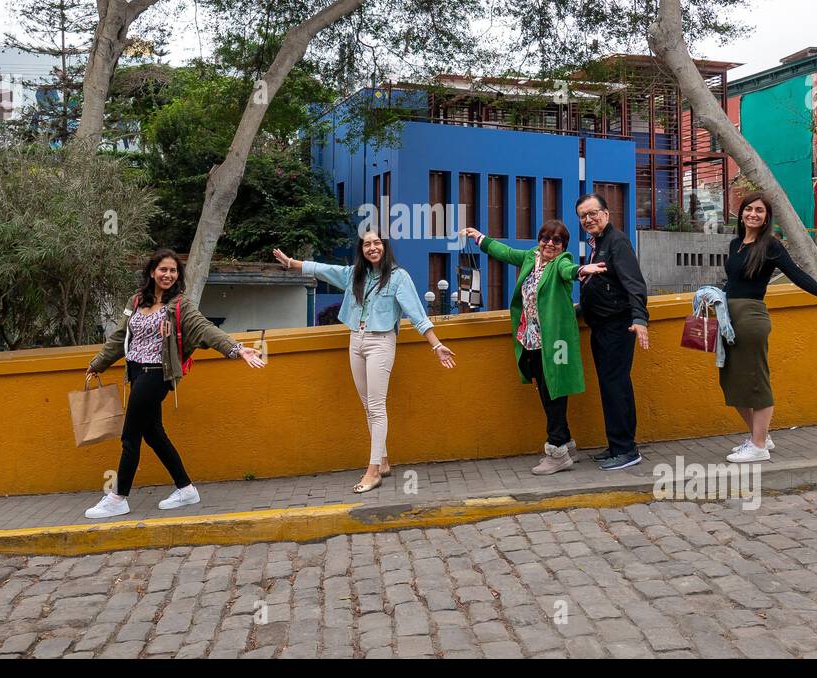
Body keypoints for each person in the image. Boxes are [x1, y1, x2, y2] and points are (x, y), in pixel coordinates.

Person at [82, 248, 266, 518]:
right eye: (163, 269)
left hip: (156, 375)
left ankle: (118, 497)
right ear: (151, 272)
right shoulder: (136, 302)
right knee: (153, 433)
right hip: (134, 373)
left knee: (130, 436)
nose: (168, 275)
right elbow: (120, 337)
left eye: (173, 271)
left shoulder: (180, 305)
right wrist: (98, 363)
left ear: (178, 276)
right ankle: (186, 489)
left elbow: (205, 329)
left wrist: (236, 349)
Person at [273, 232, 455, 494]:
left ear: (384, 247)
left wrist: (436, 345)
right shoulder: (354, 275)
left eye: (377, 243)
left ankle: (372, 471)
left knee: (377, 406)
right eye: (367, 244)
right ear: (362, 249)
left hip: (381, 342)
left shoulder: (398, 277)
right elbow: (324, 270)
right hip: (355, 341)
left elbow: (417, 314)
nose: (372, 247)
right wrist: (292, 263)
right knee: (367, 405)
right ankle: (383, 460)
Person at [722, 193, 817, 463]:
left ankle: (758, 446)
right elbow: (733, 282)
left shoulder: (770, 245)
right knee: (731, 381)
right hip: (729, 317)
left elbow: (796, 274)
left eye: (760, 210)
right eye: (749, 209)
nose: (753, 214)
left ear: (767, 217)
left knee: (756, 380)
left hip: (751, 318)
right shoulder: (735, 243)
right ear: (742, 213)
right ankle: (760, 436)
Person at [462, 221, 584, 475]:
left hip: (556, 342)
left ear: (563, 247)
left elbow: (568, 270)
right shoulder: (531, 257)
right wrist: (480, 238)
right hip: (532, 340)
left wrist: (581, 270)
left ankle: (557, 450)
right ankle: (567, 445)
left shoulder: (561, 262)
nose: (550, 244)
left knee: (555, 391)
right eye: (545, 238)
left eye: (557, 241)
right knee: (549, 390)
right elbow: (505, 253)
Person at [573, 193, 651, 471]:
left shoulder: (617, 242)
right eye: (583, 215)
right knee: (610, 386)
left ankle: (627, 449)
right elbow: (606, 283)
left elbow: (634, 284)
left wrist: (640, 318)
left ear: (606, 214)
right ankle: (617, 445)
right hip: (602, 326)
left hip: (618, 327)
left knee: (616, 386)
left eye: (593, 213)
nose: (588, 219)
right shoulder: (598, 244)